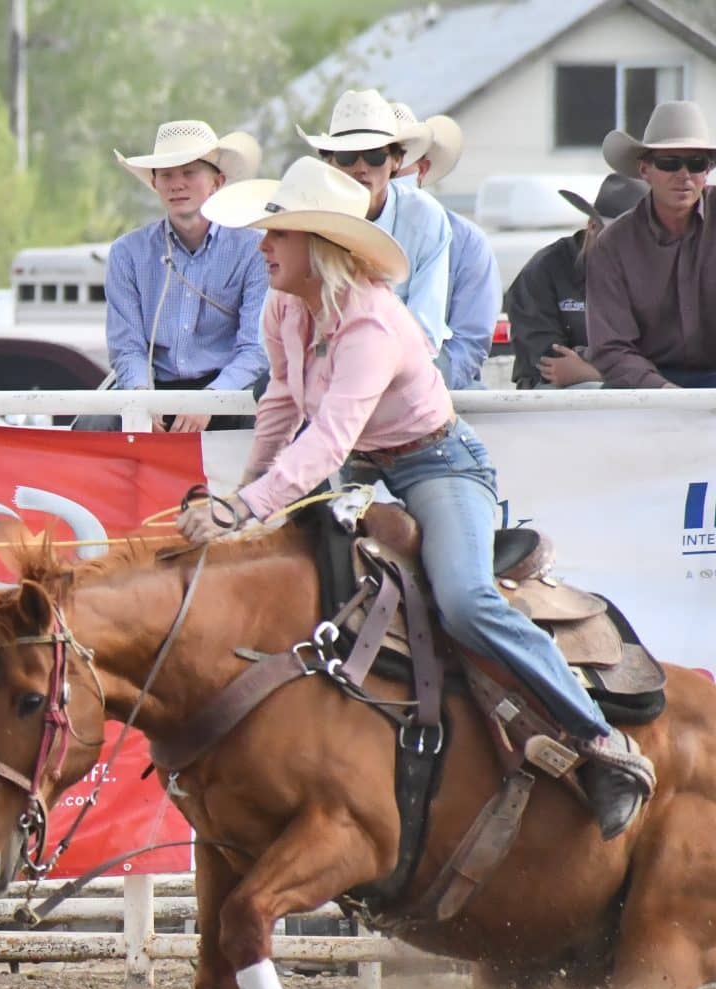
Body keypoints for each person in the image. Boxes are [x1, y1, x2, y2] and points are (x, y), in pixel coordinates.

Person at [183, 156, 655, 839]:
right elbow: (282, 409)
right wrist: (244, 506)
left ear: (318, 247)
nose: (261, 247)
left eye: (276, 235)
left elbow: (328, 438)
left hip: (437, 464)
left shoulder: (371, 322)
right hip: (362, 472)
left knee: (464, 599)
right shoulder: (285, 307)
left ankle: (600, 738)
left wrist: (246, 505)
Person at [86, 119, 268, 433]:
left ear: (217, 181)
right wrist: (141, 399)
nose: (177, 183)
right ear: (155, 184)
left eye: (189, 172)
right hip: (155, 387)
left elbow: (255, 348)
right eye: (167, 175)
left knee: (270, 430)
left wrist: (213, 399)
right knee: (92, 427)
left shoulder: (255, 249)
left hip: (229, 389)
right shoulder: (127, 253)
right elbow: (127, 347)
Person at [299, 89, 450, 363]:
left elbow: (425, 326)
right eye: (347, 157)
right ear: (330, 162)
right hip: (323, 355)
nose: (361, 168)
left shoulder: (426, 216)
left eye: (374, 156)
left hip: (409, 355)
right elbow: (285, 316)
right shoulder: (305, 218)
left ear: (396, 161)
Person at [586, 101, 716, 388]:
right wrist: (663, 392)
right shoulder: (614, 243)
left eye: (696, 163)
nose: (684, 175)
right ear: (645, 170)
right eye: (669, 163)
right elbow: (611, 347)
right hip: (649, 385)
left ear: (707, 171)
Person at [504, 173, 646, 389]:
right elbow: (550, 362)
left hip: (634, 388)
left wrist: (593, 371)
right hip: (551, 395)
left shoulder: (655, 271)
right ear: (592, 226)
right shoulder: (545, 268)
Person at [394, 107, 500, 389]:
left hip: (438, 385)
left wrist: (423, 382)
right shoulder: (334, 231)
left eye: (396, 158)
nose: (386, 169)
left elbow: (468, 343)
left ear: (422, 168)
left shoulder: (467, 243)